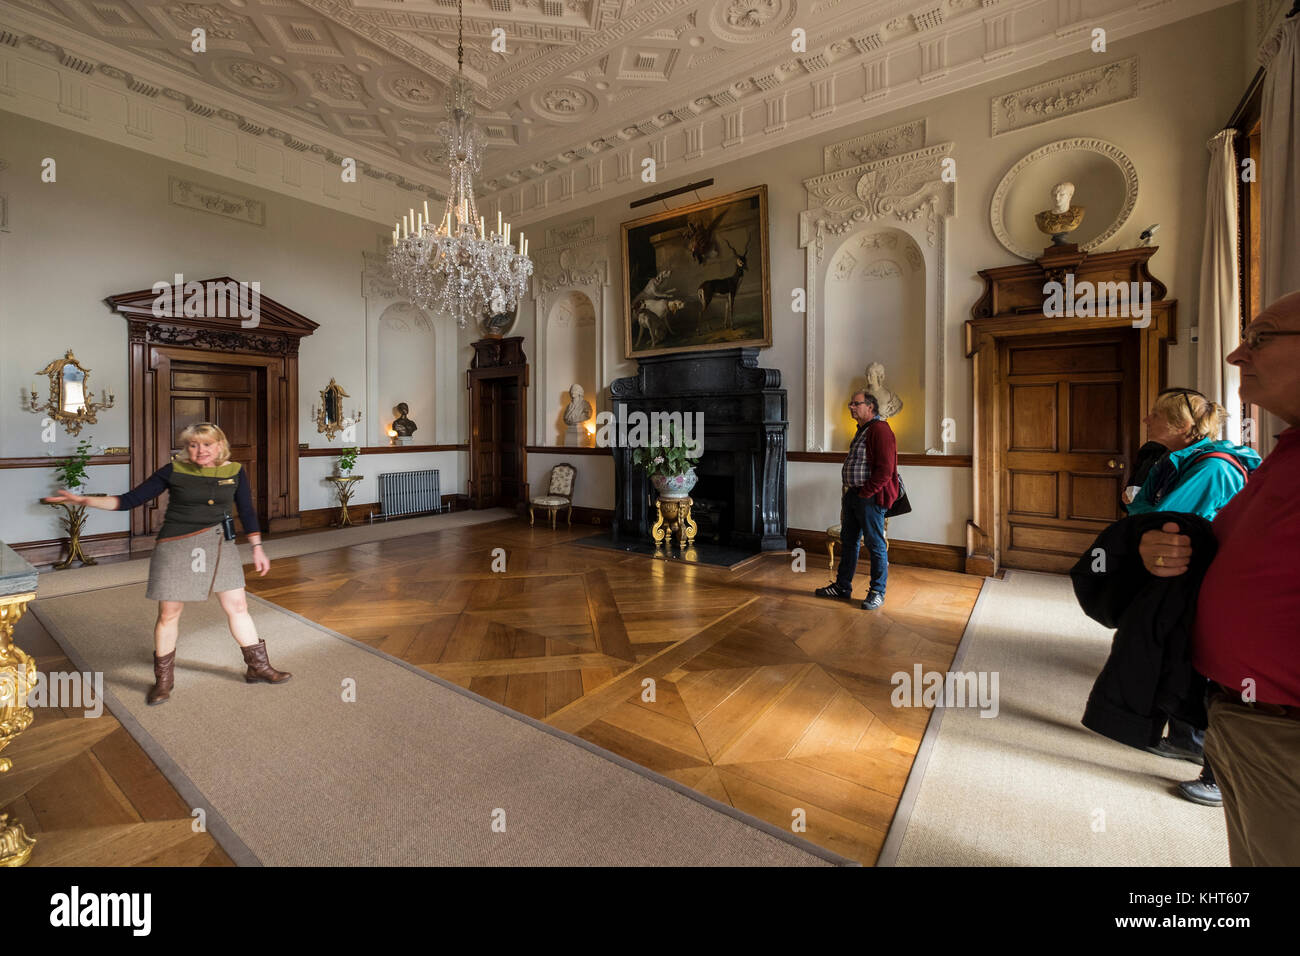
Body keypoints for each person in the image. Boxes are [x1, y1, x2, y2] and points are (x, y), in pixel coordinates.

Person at [1139, 290, 1300, 866]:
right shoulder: (1285, 450)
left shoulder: (1216, 463)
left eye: (1260, 338)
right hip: (1248, 713)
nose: (1236, 355)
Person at [43, 422, 291, 705]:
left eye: (207, 444)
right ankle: (163, 681)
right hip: (176, 544)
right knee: (169, 613)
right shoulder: (173, 470)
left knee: (238, 606)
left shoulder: (235, 471)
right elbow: (128, 500)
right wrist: (84, 500)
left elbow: (246, 510)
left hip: (221, 543)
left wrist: (257, 548)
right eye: (193, 445)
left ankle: (258, 667)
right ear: (186, 448)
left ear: (220, 445)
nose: (200, 451)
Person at [1123, 388, 1260, 806]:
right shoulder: (1175, 461)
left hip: (1205, 579)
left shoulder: (1212, 468)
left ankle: (1197, 745)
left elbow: (1164, 519)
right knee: (1180, 655)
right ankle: (1185, 738)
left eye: (1156, 416)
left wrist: (1140, 513)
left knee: (1198, 663)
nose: (1147, 420)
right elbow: (1145, 509)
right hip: (1186, 574)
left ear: (1183, 427)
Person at [814, 391, 899, 610]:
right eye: (850, 403)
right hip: (854, 495)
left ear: (870, 407)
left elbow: (886, 470)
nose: (851, 407)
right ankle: (843, 587)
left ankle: (877, 592)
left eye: (856, 403)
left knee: (875, 544)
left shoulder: (881, 430)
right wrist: (854, 494)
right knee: (849, 541)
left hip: (868, 497)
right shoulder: (863, 430)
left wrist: (866, 493)